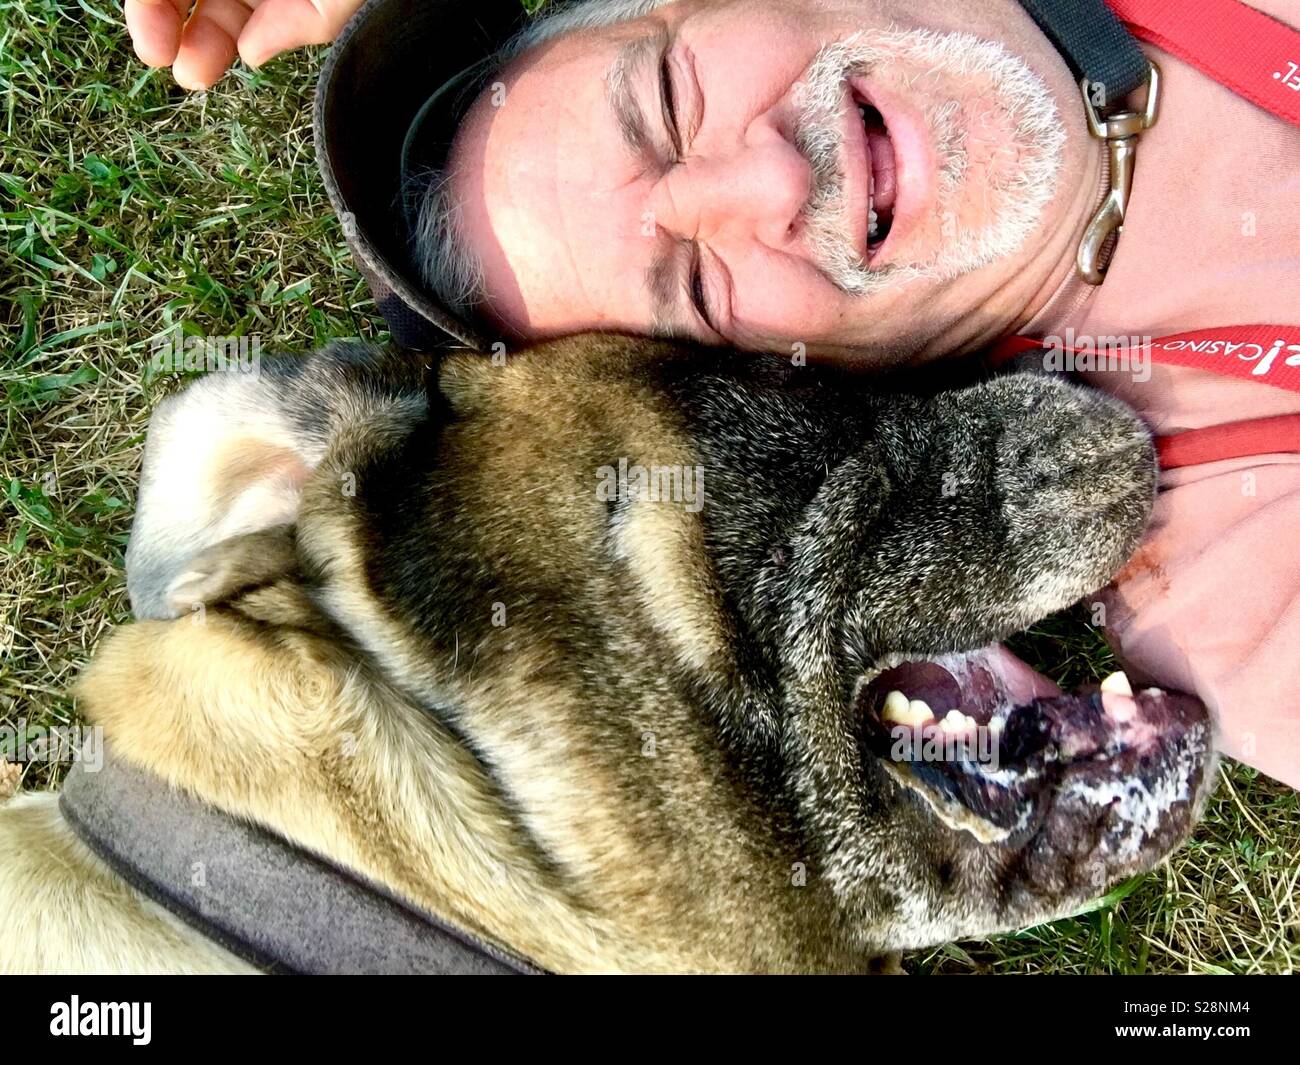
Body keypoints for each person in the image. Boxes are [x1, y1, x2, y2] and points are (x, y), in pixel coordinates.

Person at [126, 0, 1300, 790]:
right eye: (695, 282)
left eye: (672, 103)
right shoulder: (1223, 587)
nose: (772, 176)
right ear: (790, 385)